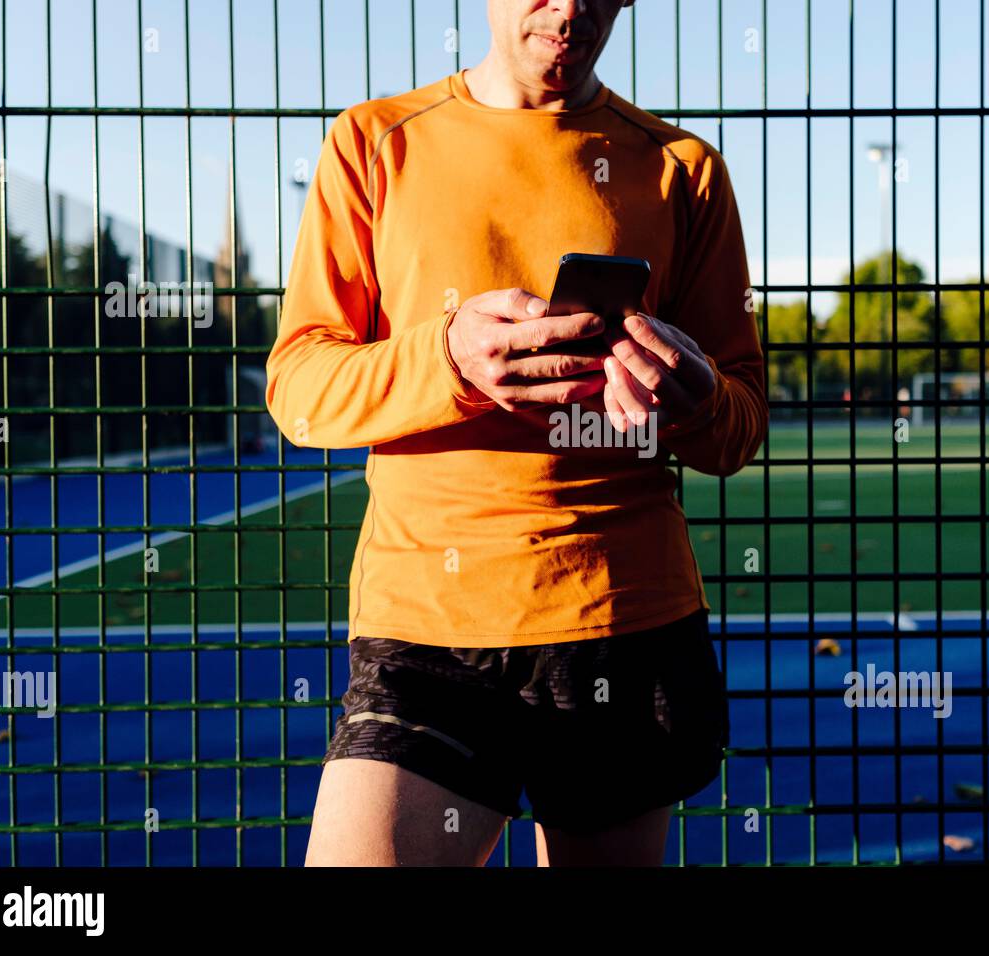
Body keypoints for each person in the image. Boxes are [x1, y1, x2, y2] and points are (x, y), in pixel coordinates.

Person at [265, 0, 766, 866]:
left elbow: (737, 430)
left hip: (625, 617)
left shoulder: (684, 169)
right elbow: (299, 389)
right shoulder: (377, 142)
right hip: (428, 624)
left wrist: (695, 395)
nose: (569, 9)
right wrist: (450, 362)